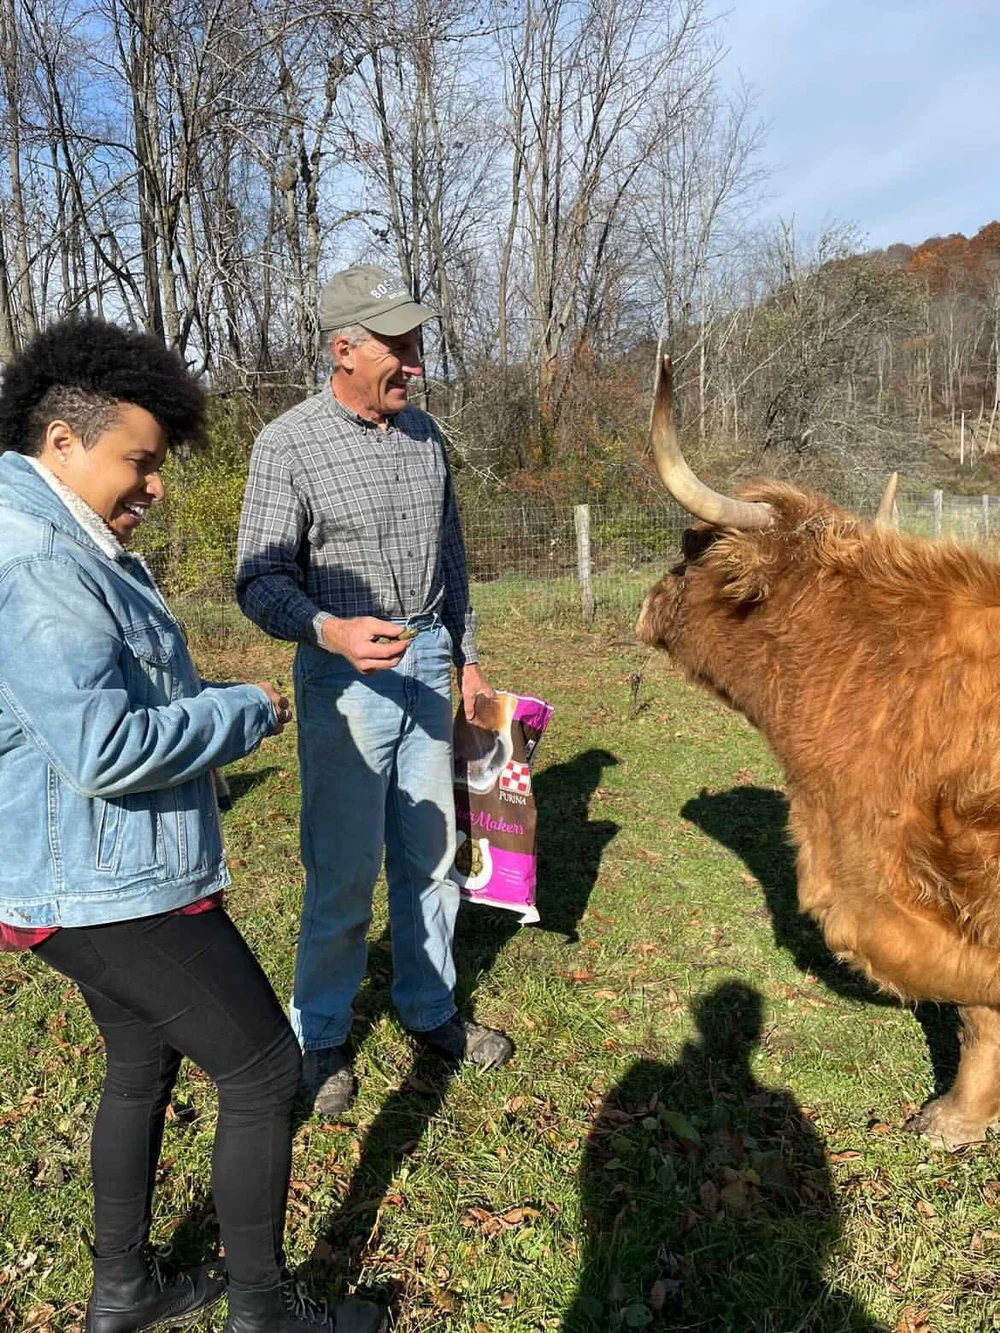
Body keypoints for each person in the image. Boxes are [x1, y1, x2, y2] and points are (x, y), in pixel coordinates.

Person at [0, 318, 384, 1333]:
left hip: (82, 874)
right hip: (106, 883)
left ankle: (124, 1288)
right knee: (262, 1068)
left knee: (142, 1058)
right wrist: (244, 711)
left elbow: (113, 697)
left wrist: (210, 698)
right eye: (139, 461)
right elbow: (104, 747)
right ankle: (264, 1311)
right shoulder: (39, 561)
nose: (155, 485)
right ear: (63, 442)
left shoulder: (68, 541)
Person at [236, 265, 513, 1117]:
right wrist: (329, 630)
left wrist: (467, 657)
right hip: (343, 679)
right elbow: (258, 580)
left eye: (417, 341)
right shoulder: (287, 445)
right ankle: (320, 1034)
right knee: (344, 868)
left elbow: (452, 556)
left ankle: (429, 1007)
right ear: (344, 349)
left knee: (431, 856)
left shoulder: (426, 438)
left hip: (428, 661)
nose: (416, 361)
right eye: (399, 345)